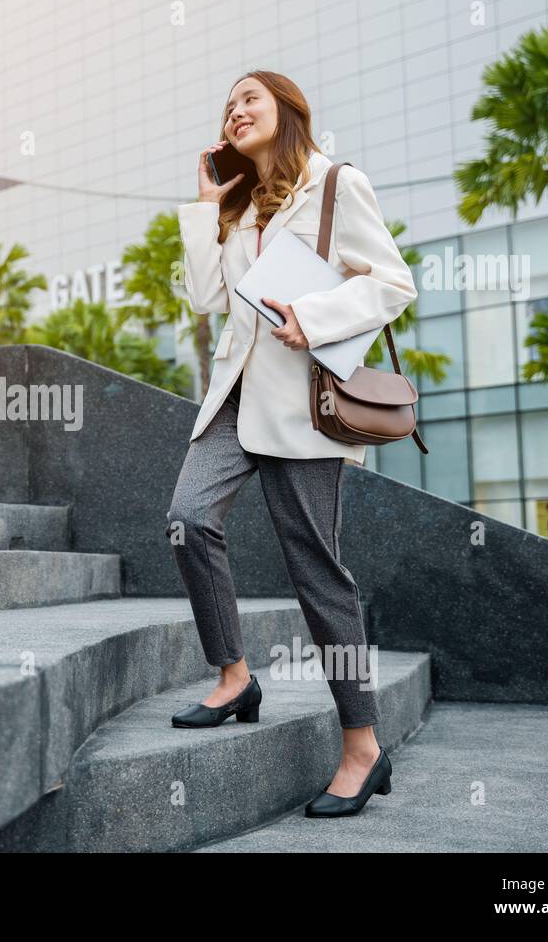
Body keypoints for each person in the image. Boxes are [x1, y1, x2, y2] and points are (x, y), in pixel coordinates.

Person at [163, 70, 417, 818]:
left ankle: (363, 747)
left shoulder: (336, 184)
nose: (236, 110)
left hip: (303, 405)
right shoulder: (239, 207)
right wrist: (208, 208)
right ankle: (236, 675)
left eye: (250, 98)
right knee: (187, 517)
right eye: (228, 105)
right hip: (234, 397)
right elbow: (208, 298)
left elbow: (392, 283)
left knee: (317, 573)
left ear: (288, 111)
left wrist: (317, 316)